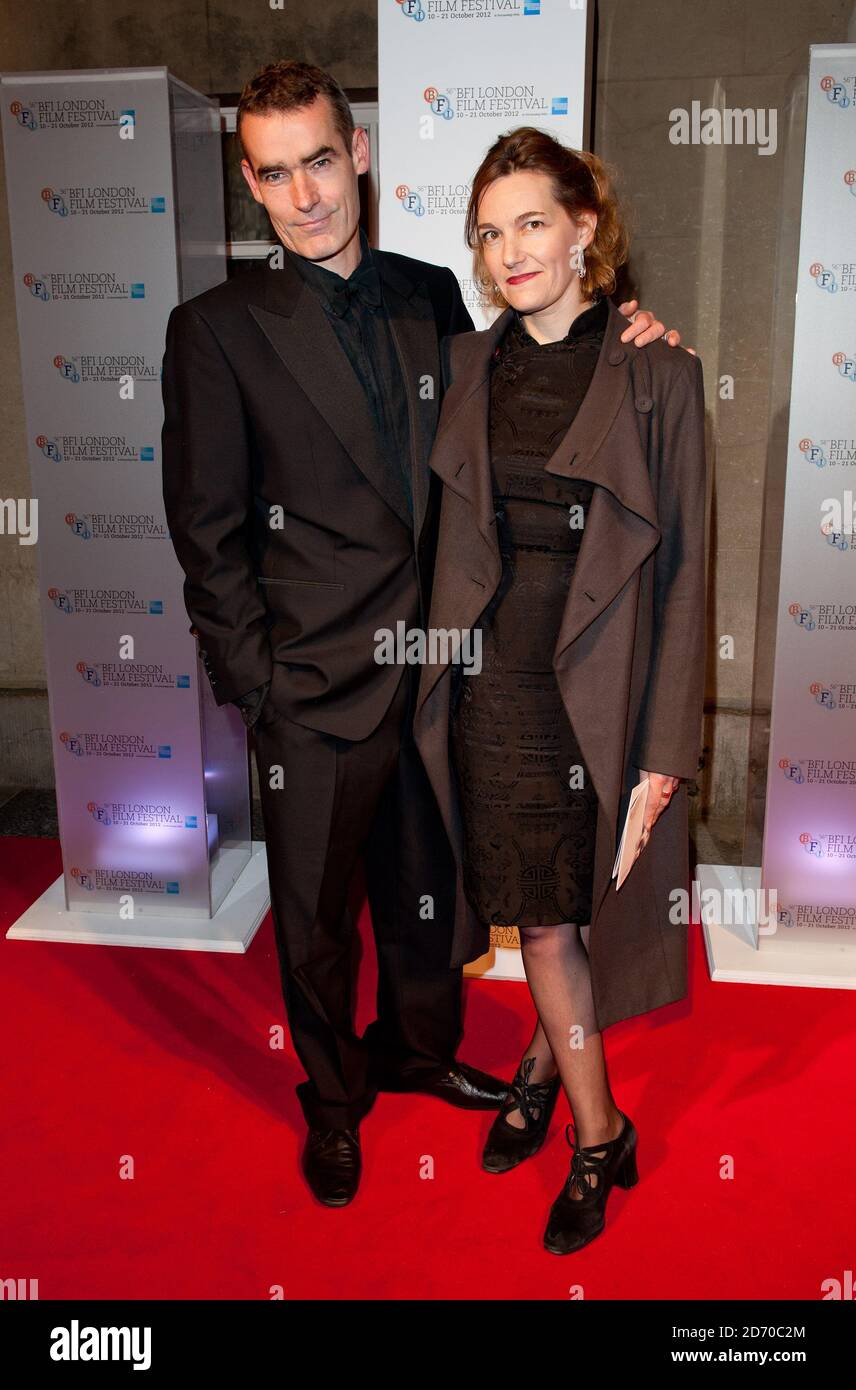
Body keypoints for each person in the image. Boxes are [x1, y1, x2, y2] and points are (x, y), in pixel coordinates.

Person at [161, 61, 686, 1209]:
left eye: (318, 159)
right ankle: (334, 1098)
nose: (303, 194)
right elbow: (205, 532)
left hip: (447, 676)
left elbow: (530, 400)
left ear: (359, 154)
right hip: (313, 685)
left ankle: (411, 1046)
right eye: (274, 171)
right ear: (250, 184)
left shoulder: (435, 298)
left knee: (425, 895)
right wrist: (258, 684)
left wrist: (636, 325)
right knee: (311, 921)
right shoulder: (215, 329)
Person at [413, 127, 707, 1253]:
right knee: (541, 913)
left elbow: (682, 566)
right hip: (497, 693)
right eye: (489, 233)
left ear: (587, 226)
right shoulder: (469, 364)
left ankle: (595, 1130)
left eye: (532, 223)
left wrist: (667, 741)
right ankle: (553, 1068)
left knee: (560, 917)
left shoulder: (660, 373)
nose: (508, 253)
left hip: (608, 685)